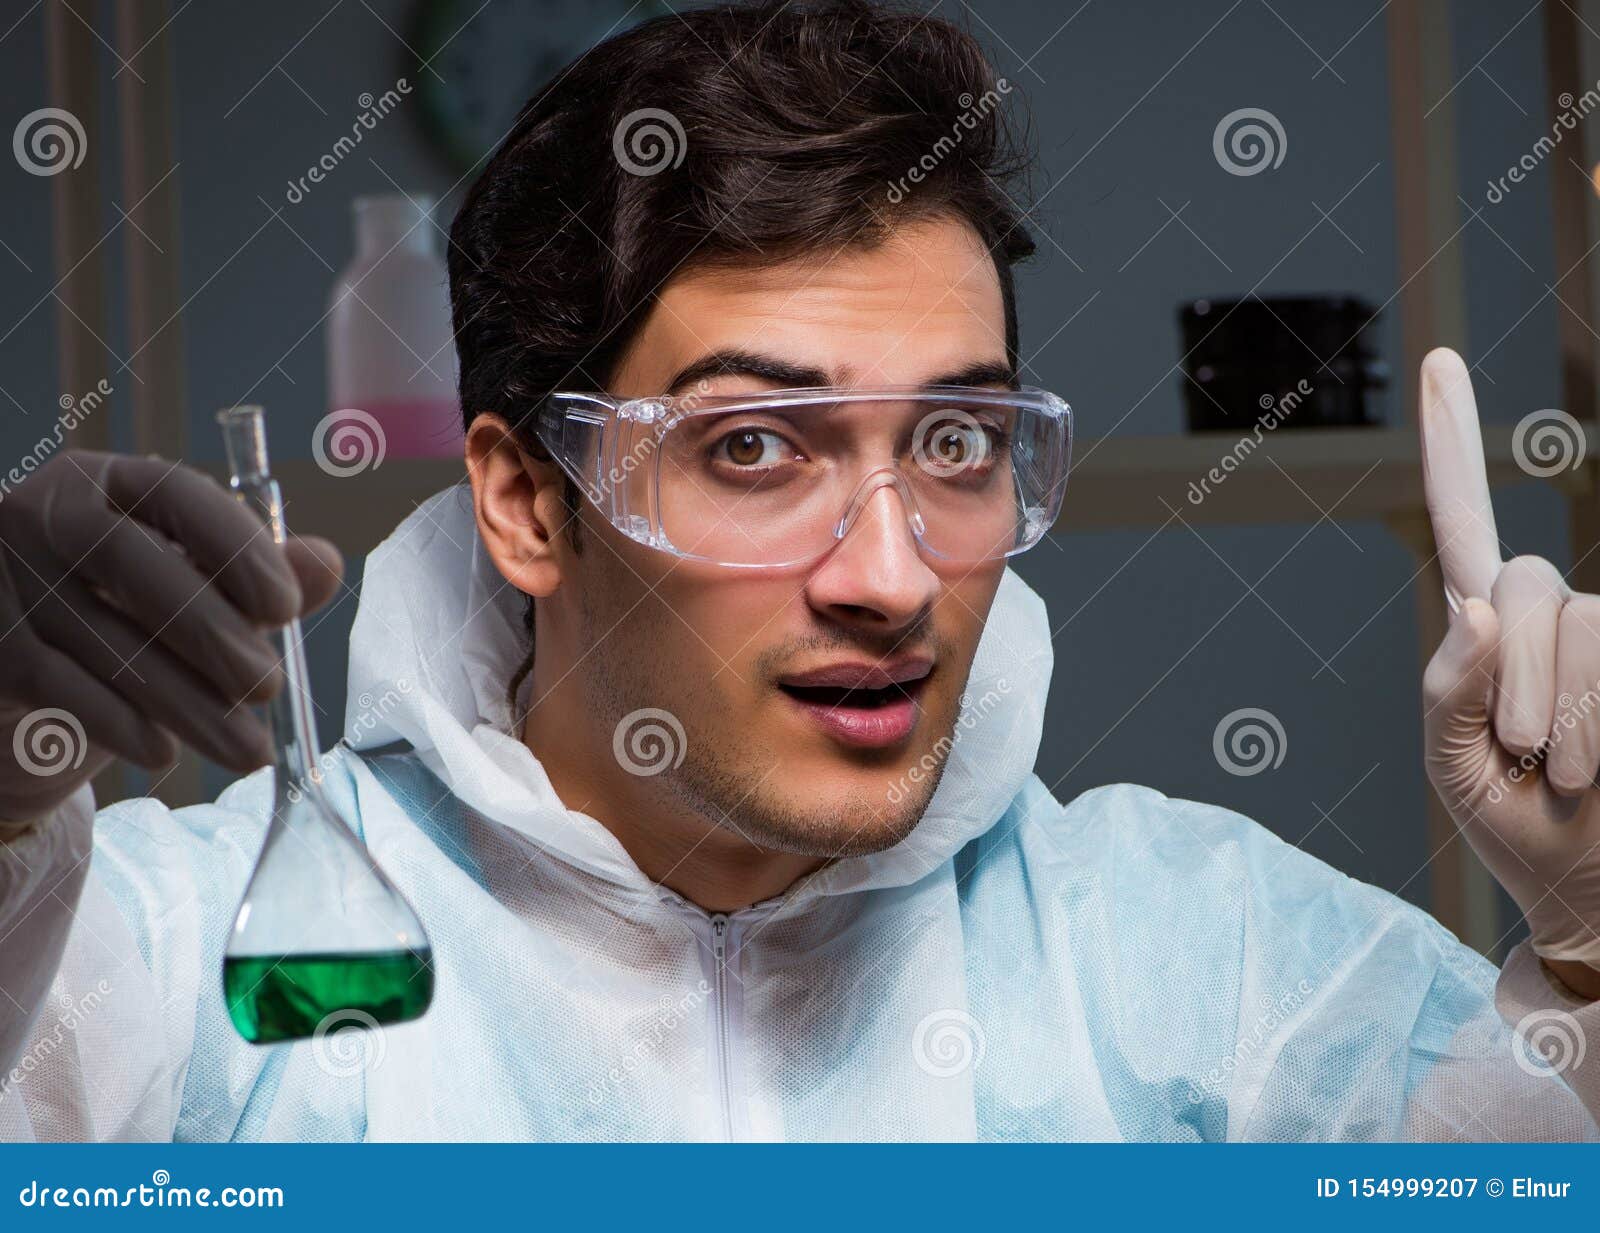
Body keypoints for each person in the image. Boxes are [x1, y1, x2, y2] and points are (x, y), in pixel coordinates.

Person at [1, 0, 1597, 1142]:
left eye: (959, 444)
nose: (891, 577)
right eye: (756, 449)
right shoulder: (205, 954)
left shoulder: (1207, 961)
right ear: (523, 501)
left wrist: (1590, 947)